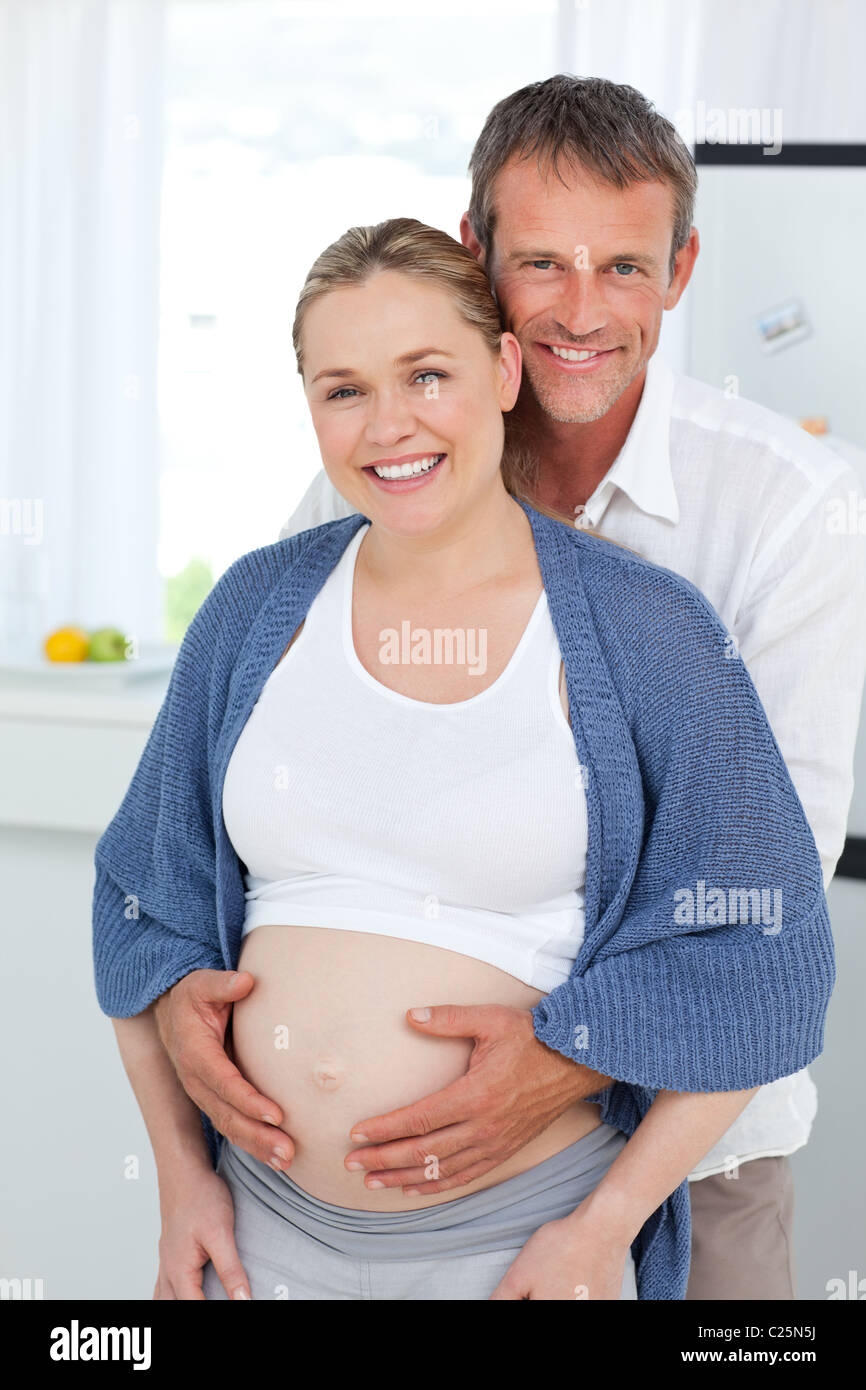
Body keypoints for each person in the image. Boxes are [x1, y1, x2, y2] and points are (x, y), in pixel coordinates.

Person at [145, 76, 866, 1301]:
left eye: (624, 268)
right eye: (541, 263)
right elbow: (221, 822)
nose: (581, 313)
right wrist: (185, 1032)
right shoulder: (365, 486)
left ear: (681, 269)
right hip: (287, 1219)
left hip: (685, 1162)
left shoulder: (784, 515)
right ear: (478, 256)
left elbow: (754, 903)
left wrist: (562, 1056)